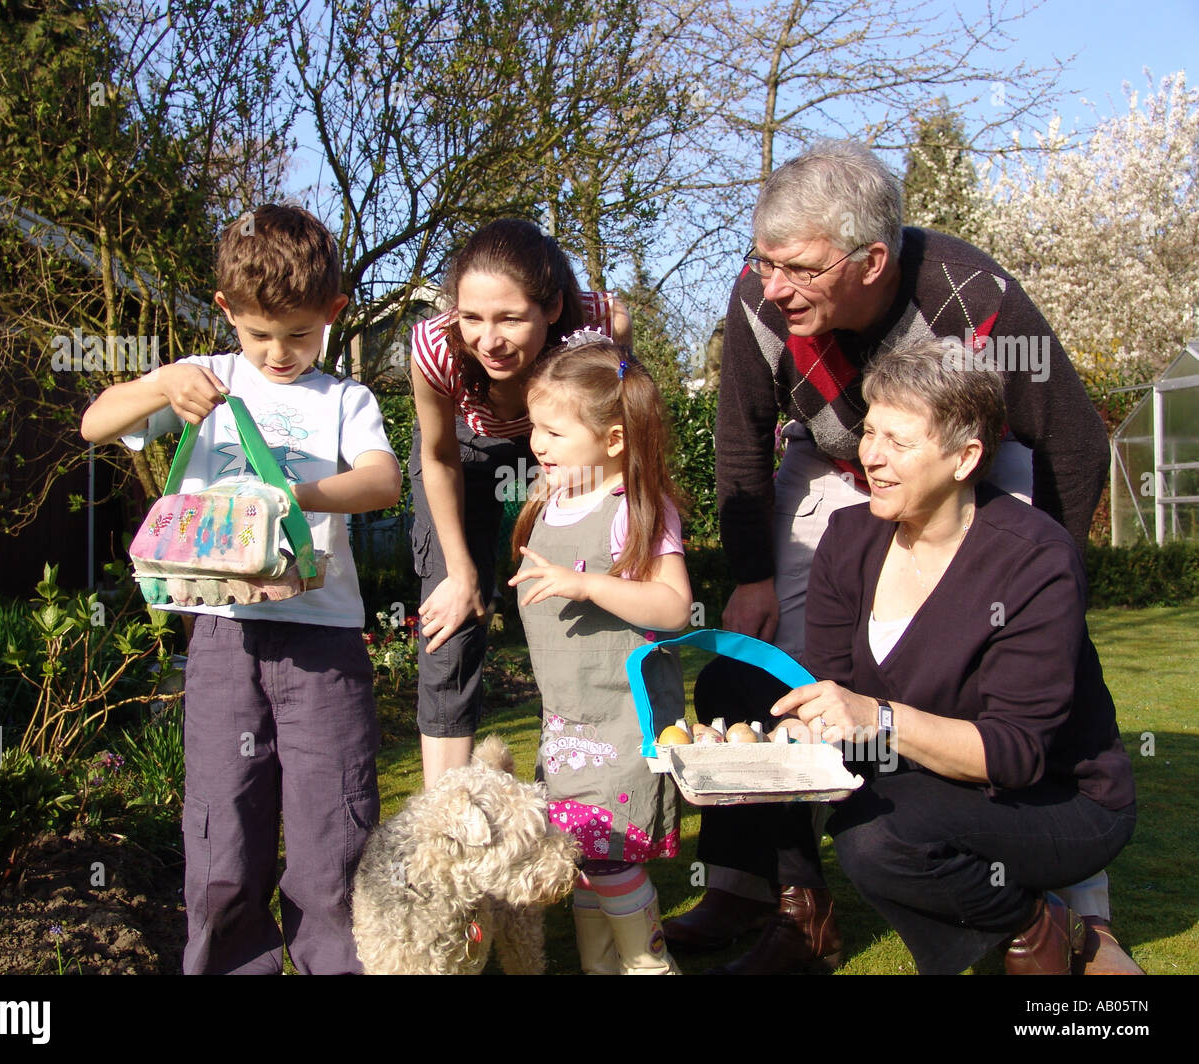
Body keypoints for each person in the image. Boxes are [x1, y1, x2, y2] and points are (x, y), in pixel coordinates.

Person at [668, 139, 1138, 973]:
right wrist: (751, 577)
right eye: (764, 261)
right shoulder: (760, 299)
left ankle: (1074, 903)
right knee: (769, 674)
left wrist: (1047, 581)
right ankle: (779, 897)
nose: (773, 286)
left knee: (1028, 669)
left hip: (968, 461)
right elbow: (739, 434)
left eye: (799, 268)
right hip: (830, 465)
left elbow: (1069, 438)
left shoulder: (975, 297)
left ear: (872, 260)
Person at [710, 338, 1136, 976]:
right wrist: (763, 752)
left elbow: (1015, 756)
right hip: (916, 773)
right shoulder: (849, 539)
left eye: (899, 442)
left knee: (879, 837)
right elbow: (836, 692)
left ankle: (1043, 930)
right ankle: (803, 918)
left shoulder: (1034, 559)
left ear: (966, 457)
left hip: (1052, 803)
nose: (871, 458)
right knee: (733, 686)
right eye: (870, 432)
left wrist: (877, 719)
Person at [80, 205, 401, 974]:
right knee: (223, 829)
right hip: (222, 637)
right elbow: (95, 423)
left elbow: (384, 481)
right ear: (227, 314)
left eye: (299, 334)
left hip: (322, 642)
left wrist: (297, 497)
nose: (280, 353)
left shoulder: (344, 400)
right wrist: (160, 382)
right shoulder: (204, 379)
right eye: (260, 335)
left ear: (333, 313)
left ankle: (339, 963)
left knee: (335, 830)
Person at [410, 219, 629, 786]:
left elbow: (615, 422)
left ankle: (581, 783)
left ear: (553, 307)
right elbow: (437, 459)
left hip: (560, 443)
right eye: (472, 318)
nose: (488, 339)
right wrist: (460, 574)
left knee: (568, 594)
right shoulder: (435, 348)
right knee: (450, 615)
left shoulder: (603, 324)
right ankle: (446, 817)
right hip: (461, 454)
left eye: (509, 317)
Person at [507, 336, 690, 974]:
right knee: (582, 857)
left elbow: (672, 607)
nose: (538, 444)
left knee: (610, 858)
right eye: (535, 428)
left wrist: (588, 584)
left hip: (623, 721)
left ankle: (650, 965)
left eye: (555, 432)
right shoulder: (550, 504)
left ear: (612, 440)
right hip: (567, 723)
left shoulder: (634, 509)